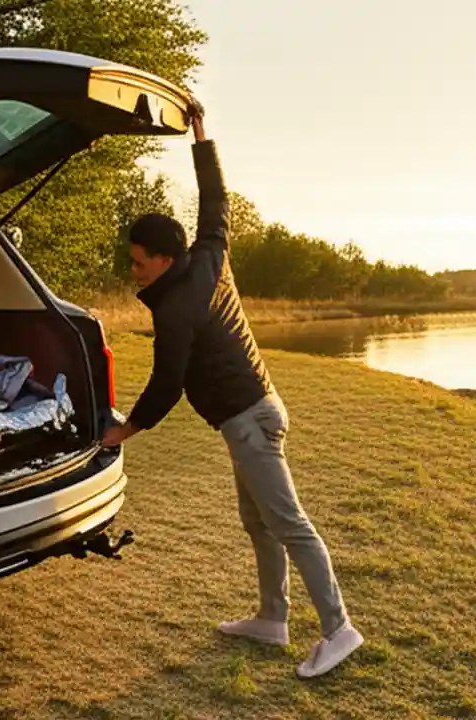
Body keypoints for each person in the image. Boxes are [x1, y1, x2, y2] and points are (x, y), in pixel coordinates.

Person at [100, 110, 364, 679]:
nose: (134, 270)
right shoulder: (210, 256)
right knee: (259, 521)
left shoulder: (174, 311)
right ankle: (273, 619)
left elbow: (167, 384)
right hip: (257, 411)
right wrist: (201, 138)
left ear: (164, 261)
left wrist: (124, 430)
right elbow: (215, 199)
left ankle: (339, 629)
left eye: (139, 262)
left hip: (248, 422)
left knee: (288, 523)